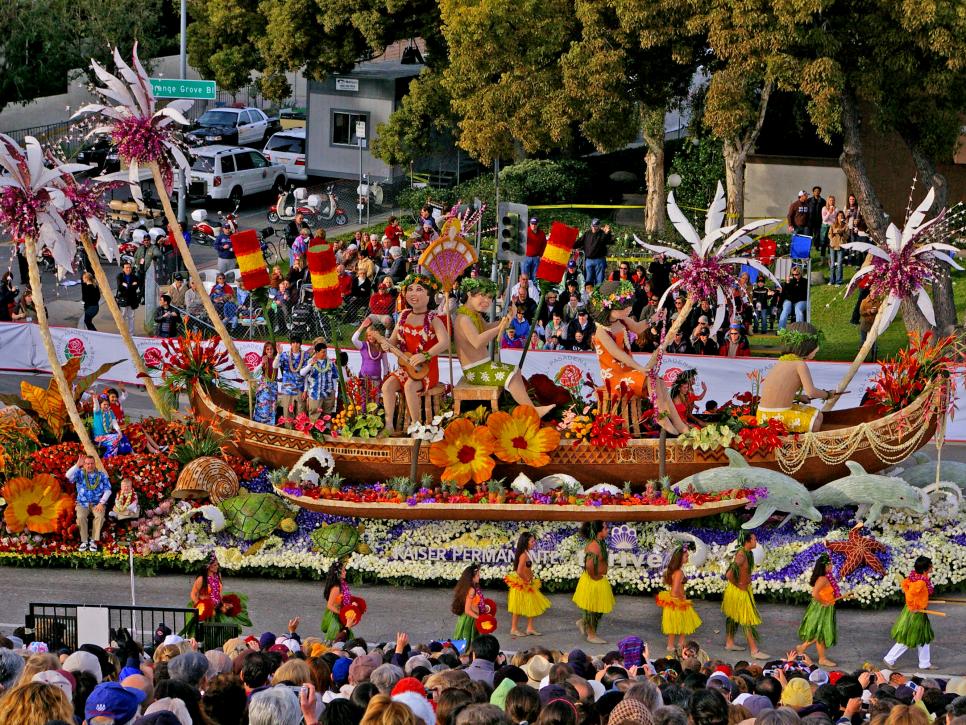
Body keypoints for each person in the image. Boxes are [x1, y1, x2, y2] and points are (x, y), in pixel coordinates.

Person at [589, 281, 689, 435]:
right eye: (623, 307)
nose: (629, 308)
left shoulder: (621, 320)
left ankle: (678, 422)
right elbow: (619, 354)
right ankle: (661, 415)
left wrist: (654, 318)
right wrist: (639, 368)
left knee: (660, 381)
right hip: (615, 377)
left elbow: (639, 327)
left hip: (629, 370)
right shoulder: (601, 332)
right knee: (650, 378)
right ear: (608, 307)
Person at [453, 278, 554, 417]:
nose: (487, 301)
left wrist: (506, 320)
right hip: (474, 371)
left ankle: (528, 408)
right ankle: (533, 412)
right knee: (511, 376)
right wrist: (500, 327)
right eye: (482, 295)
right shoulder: (463, 319)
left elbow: (486, 328)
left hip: (483, 365)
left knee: (516, 370)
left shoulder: (474, 315)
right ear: (470, 294)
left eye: (489, 297)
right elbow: (477, 342)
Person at [380, 273, 450, 434]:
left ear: (429, 295)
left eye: (419, 289)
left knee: (410, 386)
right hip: (406, 367)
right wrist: (386, 345)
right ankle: (389, 424)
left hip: (427, 370)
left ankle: (416, 424)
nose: (413, 294)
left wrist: (426, 355)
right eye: (409, 289)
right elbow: (392, 340)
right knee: (387, 386)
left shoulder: (434, 319)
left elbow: (445, 342)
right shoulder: (403, 316)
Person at [757, 321, 840, 433]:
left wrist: (799, 398)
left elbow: (780, 391)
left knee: (818, 415)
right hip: (775, 417)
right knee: (815, 423)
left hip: (763, 414)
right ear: (807, 345)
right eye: (816, 344)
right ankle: (807, 447)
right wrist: (827, 395)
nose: (818, 348)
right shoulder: (799, 364)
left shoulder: (782, 361)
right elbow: (811, 392)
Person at [722, 530, 769, 659]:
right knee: (746, 619)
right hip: (739, 591)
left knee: (734, 617)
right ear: (748, 541)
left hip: (742, 589)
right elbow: (729, 574)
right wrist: (740, 586)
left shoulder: (749, 553)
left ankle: (729, 643)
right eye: (754, 539)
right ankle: (754, 650)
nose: (756, 541)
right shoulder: (741, 555)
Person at [884, 556, 936, 670]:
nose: (932, 567)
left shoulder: (915, 577)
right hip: (915, 613)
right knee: (908, 639)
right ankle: (889, 658)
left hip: (918, 611)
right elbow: (910, 594)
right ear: (925, 569)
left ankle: (925, 663)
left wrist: (922, 600)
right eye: (930, 566)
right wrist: (913, 606)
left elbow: (905, 585)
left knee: (923, 638)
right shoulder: (921, 581)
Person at [186, 554, 251, 636]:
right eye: (215, 565)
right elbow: (193, 594)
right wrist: (199, 605)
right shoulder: (201, 579)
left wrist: (222, 603)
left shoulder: (218, 575)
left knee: (234, 607)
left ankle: (227, 638)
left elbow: (218, 592)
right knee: (210, 617)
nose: (217, 566)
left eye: (218, 564)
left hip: (217, 604)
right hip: (206, 605)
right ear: (208, 567)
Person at [657, 541, 702, 656]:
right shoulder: (678, 573)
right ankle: (676, 644)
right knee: (681, 623)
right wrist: (682, 598)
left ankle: (675, 644)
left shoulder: (675, 571)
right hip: (677, 601)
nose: (688, 557)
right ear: (680, 558)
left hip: (674, 601)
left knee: (677, 623)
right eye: (686, 556)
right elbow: (675, 590)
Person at [573, 521, 614, 644]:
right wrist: (595, 577)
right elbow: (589, 565)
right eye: (606, 528)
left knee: (599, 608)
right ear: (599, 531)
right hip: (593, 580)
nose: (608, 530)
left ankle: (583, 622)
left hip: (598, 579)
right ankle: (591, 635)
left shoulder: (600, 543)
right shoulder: (594, 546)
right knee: (593, 609)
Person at [796, 553, 840, 667]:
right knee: (820, 632)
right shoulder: (822, 579)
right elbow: (814, 593)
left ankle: (805, 648)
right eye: (830, 564)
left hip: (826, 608)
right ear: (824, 566)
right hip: (820, 609)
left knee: (821, 633)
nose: (832, 566)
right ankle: (820, 658)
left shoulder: (827, 577)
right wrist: (824, 602)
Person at [505, 532, 550, 638]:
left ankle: (530, 628)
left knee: (531, 603)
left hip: (528, 582)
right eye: (532, 541)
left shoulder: (527, 553)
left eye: (534, 541)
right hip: (522, 583)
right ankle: (514, 628)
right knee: (518, 606)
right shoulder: (524, 555)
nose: (534, 543)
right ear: (526, 542)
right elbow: (519, 571)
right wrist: (526, 580)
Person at [66, 454, 111, 552]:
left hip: (97, 503)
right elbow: (67, 475)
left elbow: (108, 490)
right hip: (82, 503)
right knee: (81, 517)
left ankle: (93, 541)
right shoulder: (80, 473)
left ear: (95, 464)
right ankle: (84, 541)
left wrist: (101, 503)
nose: (89, 466)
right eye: (87, 464)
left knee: (99, 516)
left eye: (91, 463)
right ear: (84, 465)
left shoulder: (101, 475)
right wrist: (77, 465)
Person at [275, 339, 311, 428]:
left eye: (297, 342)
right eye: (294, 342)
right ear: (291, 344)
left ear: (300, 344)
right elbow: (275, 366)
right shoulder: (285, 355)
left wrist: (306, 390)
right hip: (287, 387)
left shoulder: (306, 356)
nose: (295, 344)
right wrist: (278, 354)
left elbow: (307, 375)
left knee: (301, 410)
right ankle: (288, 429)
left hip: (300, 387)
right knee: (287, 410)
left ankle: (300, 431)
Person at [301, 341, 339, 417]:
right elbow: (302, 373)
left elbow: (334, 377)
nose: (325, 354)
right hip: (315, 394)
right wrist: (310, 365)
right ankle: (313, 429)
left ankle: (327, 429)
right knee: (314, 416)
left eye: (326, 352)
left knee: (327, 415)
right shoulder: (310, 361)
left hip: (328, 394)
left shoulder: (331, 363)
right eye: (323, 352)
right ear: (317, 352)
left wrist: (334, 391)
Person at [321, 561, 355, 642]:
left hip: (341, 613)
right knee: (337, 637)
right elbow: (329, 605)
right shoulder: (336, 588)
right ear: (338, 574)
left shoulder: (342, 584)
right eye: (343, 571)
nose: (345, 572)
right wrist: (342, 613)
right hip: (336, 616)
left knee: (344, 633)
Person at [352, 319, 389, 389]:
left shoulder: (382, 347)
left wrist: (385, 377)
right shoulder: (363, 345)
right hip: (364, 379)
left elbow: (385, 364)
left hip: (377, 379)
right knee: (364, 399)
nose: (371, 337)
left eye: (372, 335)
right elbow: (354, 339)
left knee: (376, 399)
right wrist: (362, 326)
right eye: (369, 335)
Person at [452, 564, 483, 646]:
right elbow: (467, 610)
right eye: (477, 575)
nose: (479, 577)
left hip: (465, 618)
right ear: (472, 577)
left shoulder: (468, 587)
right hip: (468, 620)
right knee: (467, 644)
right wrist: (481, 618)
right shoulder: (471, 590)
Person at [253, 341, 279, 425]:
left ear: (274, 350)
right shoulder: (263, 359)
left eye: (271, 349)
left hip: (273, 386)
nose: (269, 350)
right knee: (263, 404)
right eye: (267, 349)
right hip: (264, 386)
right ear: (265, 350)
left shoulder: (277, 359)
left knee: (272, 405)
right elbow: (255, 374)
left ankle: (270, 424)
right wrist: (262, 363)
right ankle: (259, 422)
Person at [581, 219, 613, 287]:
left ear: (599, 226)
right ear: (591, 225)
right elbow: (580, 241)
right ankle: (588, 296)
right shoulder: (587, 233)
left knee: (599, 281)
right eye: (593, 226)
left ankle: (598, 296)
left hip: (599, 260)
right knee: (588, 280)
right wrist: (570, 245)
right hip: (589, 260)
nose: (594, 227)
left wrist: (608, 233)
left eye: (596, 226)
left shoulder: (603, 233)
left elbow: (608, 241)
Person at [115, 262, 142, 333]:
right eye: (126, 267)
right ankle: (122, 333)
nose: (128, 269)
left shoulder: (135, 277)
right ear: (123, 269)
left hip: (132, 299)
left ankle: (131, 333)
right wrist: (131, 286)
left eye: (129, 267)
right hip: (123, 299)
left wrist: (126, 285)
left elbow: (136, 287)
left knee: (131, 317)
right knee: (122, 317)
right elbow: (120, 288)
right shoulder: (120, 276)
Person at [777, 266, 807, 330]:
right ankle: (780, 330)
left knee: (798, 309)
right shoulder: (790, 281)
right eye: (793, 274)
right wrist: (787, 283)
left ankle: (799, 330)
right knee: (785, 310)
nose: (794, 276)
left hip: (800, 300)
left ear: (800, 273)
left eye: (796, 274)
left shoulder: (805, 281)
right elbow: (785, 293)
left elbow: (801, 293)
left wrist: (795, 285)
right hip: (790, 300)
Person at [828, 211, 848, 286]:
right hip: (833, 245)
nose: (841, 217)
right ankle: (832, 280)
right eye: (839, 216)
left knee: (839, 264)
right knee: (832, 264)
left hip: (841, 246)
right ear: (837, 217)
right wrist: (832, 236)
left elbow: (847, 236)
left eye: (842, 216)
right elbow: (829, 234)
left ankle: (838, 281)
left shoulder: (845, 226)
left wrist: (842, 234)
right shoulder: (833, 225)